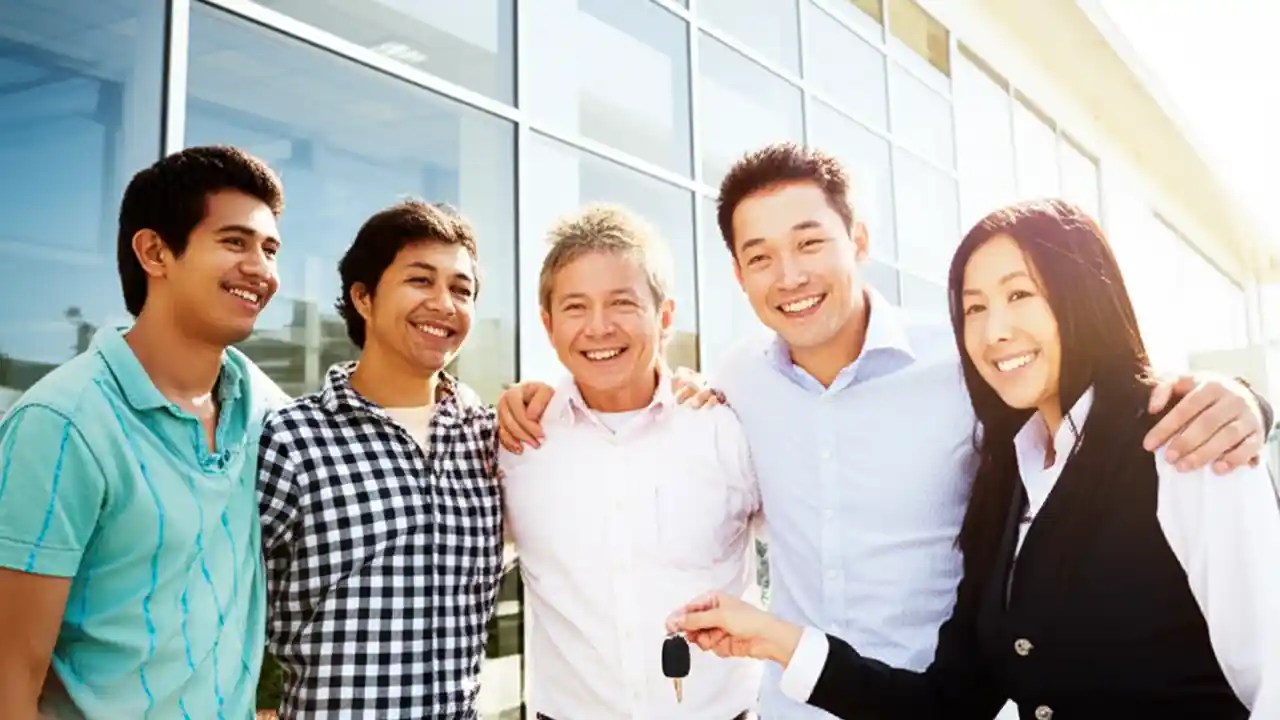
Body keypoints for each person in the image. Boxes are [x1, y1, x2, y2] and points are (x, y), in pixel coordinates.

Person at [496, 143, 1274, 718]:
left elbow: (1092, 389)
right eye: (760, 256)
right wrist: (544, 392)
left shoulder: (969, 364)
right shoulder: (733, 384)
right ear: (737, 274)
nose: (789, 275)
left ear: (857, 241)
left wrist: (1243, 396)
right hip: (797, 706)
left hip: (945, 704)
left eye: (809, 243)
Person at [0, 146, 288, 719]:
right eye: (235, 242)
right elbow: (8, 676)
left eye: (270, 249)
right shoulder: (62, 424)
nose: (262, 270)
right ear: (155, 252)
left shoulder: (261, 407)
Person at [499, 205, 762, 720]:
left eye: (621, 302)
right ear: (548, 325)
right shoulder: (515, 443)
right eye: (575, 308)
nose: (598, 328)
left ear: (664, 317)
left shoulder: (727, 428)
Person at [256, 200, 502, 718]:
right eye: (420, 280)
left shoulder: (491, 440)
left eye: (461, 290)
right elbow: (222, 607)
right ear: (363, 297)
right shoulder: (292, 439)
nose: (444, 303)